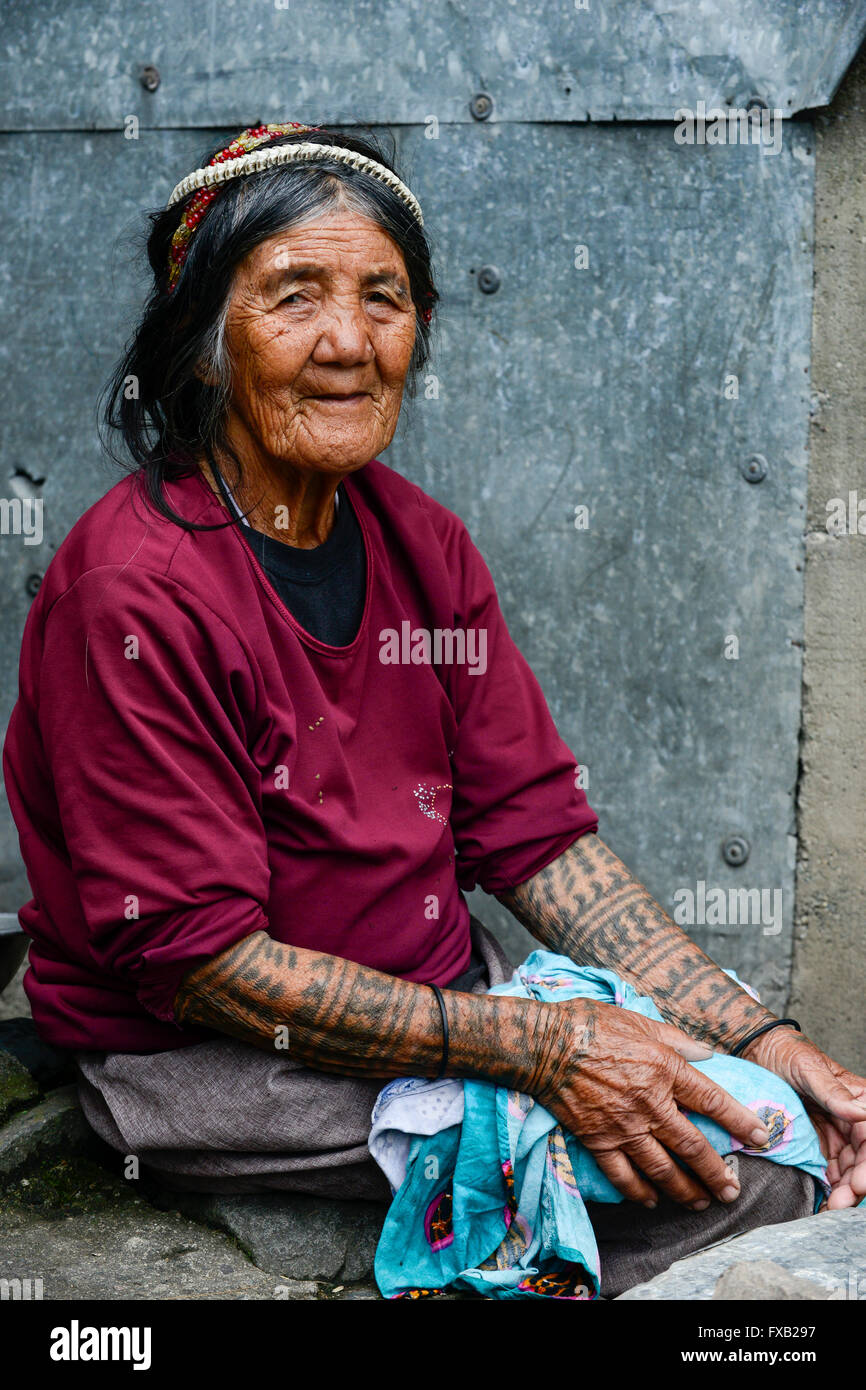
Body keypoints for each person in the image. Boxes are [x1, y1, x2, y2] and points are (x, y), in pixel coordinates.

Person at [4, 121, 864, 1296]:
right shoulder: (136, 593)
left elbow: (537, 837)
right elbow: (202, 963)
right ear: (203, 345)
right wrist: (548, 1051)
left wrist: (759, 1039)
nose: (347, 342)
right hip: (211, 1056)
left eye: (385, 299)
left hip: (443, 1002)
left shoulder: (419, 541)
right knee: (746, 1176)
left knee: (771, 1115)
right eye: (292, 297)